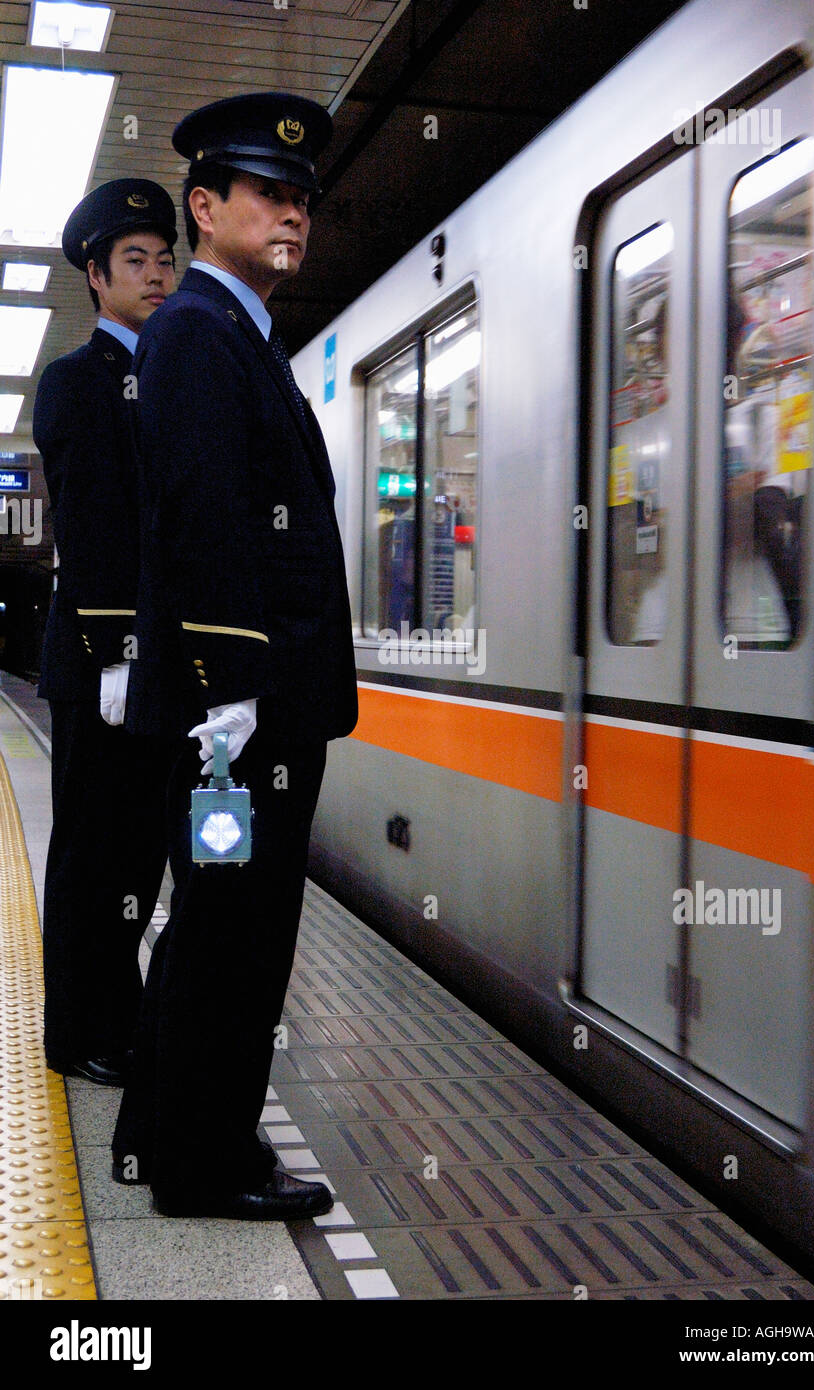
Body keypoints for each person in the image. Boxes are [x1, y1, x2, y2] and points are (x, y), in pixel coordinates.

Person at [112, 93, 358, 1220]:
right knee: (231, 938)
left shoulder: (228, 336)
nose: (292, 214)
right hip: (241, 716)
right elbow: (202, 516)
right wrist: (235, 692)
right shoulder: (198, 335)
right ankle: (202, 1166)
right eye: (267, 192)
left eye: (302, 197)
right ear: (204, 207)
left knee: (228, 932)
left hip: (250, 709)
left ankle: (184, 1137)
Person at [34, 180, 178, 1085]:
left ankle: (114, 1016)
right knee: (94, 854)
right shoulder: (76, 383)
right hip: (100, 668)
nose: (157, 274)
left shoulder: (169, 374)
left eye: (167, 258)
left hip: (151, 669)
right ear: (96, 276)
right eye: (136, 261)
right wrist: (121, 653)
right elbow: (94, 532)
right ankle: (77, 1033)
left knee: (136, 853)